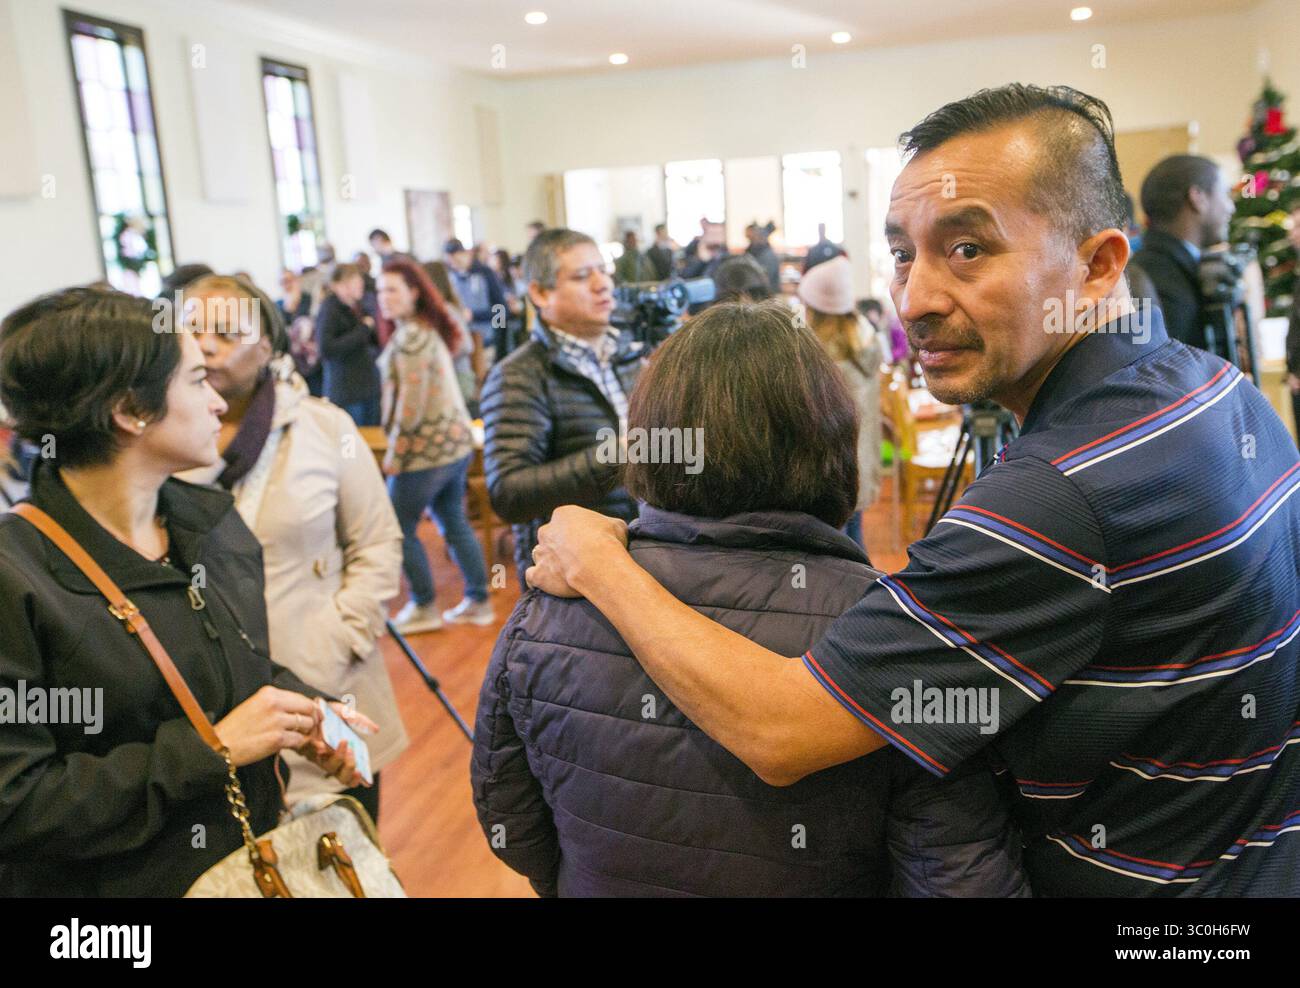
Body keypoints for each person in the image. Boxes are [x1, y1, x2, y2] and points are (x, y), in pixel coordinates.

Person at [525, 84, 1300, 897]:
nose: (916, 299)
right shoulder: (1219, 388)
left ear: (1098, 264)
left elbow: (779, 727)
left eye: (968, 250)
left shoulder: (1057, 496)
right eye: (903, 253)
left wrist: (598, 565)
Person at [472, 301, 1029, 898]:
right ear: (830, 437)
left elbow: (514, 825)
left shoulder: (555, 601)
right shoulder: (889, 628)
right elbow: (955, 875)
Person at [0, 287, 366, 896]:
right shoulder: (19, 577)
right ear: (130, 411)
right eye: (197, 380)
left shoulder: (209, 524)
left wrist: (304, 710)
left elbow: (220, 667)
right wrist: (212, 750)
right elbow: (19, 803)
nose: (219, 402)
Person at [178, 275, 407, 820]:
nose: (207, 345)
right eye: (192, 329)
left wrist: (341, 636)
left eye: (226, 332)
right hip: (211, 709)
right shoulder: (166, 442)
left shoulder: (323, 428)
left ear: (267, 345)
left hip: (324, 684)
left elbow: (376, 541)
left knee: (340, 860)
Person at [481, 228, 646, 587]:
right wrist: (615, 454)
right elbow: (509, 493)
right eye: (583, 276)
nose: (602, 284)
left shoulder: (629, 357)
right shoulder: (519, 376)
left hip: (644, 552)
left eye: (604, 271)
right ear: (540, 292)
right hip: (573, 575)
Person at [377, 259, 493, 633]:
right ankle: (479, 600)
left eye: (392, 289)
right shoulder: (424, 329)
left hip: (426, 451)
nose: (384, 298)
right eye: (380, 290)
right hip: (454, 445)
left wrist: (393, 457)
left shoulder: (412, 339)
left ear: (414, 292)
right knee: (453, 520)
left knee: (397, 527)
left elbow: (410, 408)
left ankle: (424, 604)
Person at [799, 256, 883, 547]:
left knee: (837, 547)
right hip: (860, 465)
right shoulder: (865, 340)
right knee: (855, 539)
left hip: (830, 473)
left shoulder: (819, 357)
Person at [1130, 155, 1236, 353]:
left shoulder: (1172, 267)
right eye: (1225, 195)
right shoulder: (1160, 278)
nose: (1231, 207)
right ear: (1198, 198)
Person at [316, 263, 382, 426]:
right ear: (341, 284)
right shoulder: (330, 309)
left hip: (366, 388)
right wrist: (364, 329)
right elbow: (326, 348)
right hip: (348, 392)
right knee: (351, 446)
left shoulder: (358, 306)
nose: (360, 285)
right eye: (355, 281)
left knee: (372, 443)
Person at [445, 238, 510, 366]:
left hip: (487, 341)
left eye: (456, 260)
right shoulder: (452, 277)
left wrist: (474, 315)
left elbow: (502, 310)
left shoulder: (485, 273)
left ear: (464, 254)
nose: (454, 265)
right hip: (464, 343)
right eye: (451, 263)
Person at [278, 268, 321, 397]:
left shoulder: (309, 300)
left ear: (297, 281)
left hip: (314, 365)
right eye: (283, 282)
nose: (287, 285)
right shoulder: (278, 306)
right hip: (293, 365)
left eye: (290, 280)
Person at [745, 221, 781, 293]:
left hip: (767, 295)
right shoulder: (752, 252)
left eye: (756, 236)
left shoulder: (768, 255)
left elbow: (765, 278)